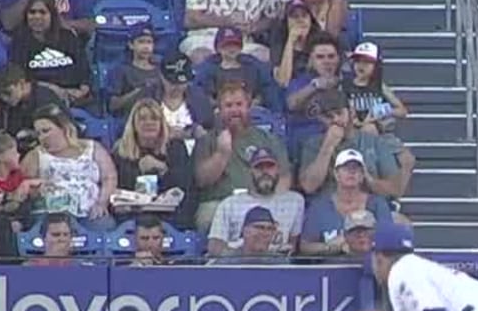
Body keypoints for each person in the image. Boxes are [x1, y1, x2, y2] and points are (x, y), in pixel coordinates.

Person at [192, 81, 291, 231]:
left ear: (248, 107)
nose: (234, 110)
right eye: (229, 106)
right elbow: (202, 180)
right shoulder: (207, 140)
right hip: (221, 203)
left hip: (262, 201)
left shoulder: (267, 138)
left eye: (239, 104)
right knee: (207, 215)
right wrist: (222, 154)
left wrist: (267, 202)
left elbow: (285, 177)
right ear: (219, 109)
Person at [22, 105, 117, 226]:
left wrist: (102, 203)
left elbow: (109, 177)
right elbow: (25, 186)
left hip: (90, 212)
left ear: (64, 128)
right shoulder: (35, 155)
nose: (42, 137)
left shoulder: (93, 148)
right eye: (38, 133)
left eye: (46, 131)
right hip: (50, 215)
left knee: (105, 224)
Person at [112, 98, 195, 228]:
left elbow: (184, 184)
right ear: (133, 124)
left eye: (154, 119)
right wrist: (139, 170)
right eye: (143, 119)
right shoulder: (120, 150)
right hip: (132, 213)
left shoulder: (175, 147)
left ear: (161, 124)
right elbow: (119, 186)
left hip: (170, 213)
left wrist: (162, 169)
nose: (149, 123)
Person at [207, 145, 304, 255]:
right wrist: (244, 256)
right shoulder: (229, 204)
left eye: (270, 166)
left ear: (278, 170)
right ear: (250, 171)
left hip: (276, 265)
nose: (265, 172)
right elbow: (214, 247)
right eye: (259, 167)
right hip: (238, 266)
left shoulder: (294, 202)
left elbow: (294, 245)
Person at [299, 147, 395, 255]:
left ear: (363, 175)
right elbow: (305, 246)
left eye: (356, 169)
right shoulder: (319, 206)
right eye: (346, 168)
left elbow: (390, 241)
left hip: (369, 266)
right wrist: (330, 247)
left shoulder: (377, 204)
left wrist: (357, 243)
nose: (352, 172)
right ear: (336, 174)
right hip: (330, 268)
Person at [9, 0, 92, 108]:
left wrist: (82, 90)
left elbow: (84, 72)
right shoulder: (19, 42)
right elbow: (20, 81)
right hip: (38, 100)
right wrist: (52, 90)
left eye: (42, 12)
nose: (37, 16)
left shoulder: (68, 38)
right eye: (32, 12)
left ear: (52, 16)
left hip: (74, 99)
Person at [344, 42, 407, 131]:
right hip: (353, 131)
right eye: (358, 61)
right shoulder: (345, 86)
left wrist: (381, 111)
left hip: (376, 131)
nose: (361, 65)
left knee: (371, 128)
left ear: (376, 65)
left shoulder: (379, 85)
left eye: (367, 62)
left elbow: (402, 111)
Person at [106, 24, 166, 117]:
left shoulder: (162, 69)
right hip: (130, 118)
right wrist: (139, 90)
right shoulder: (120, 70)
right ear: (131, 45)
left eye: (149, 42)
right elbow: (113, 105)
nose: (146, 47)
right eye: (141, 42)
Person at [272, 0, 319, 88]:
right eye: (295, 16)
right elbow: (283, 81)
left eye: (304, 15)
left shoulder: (321, 40)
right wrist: (290, 41)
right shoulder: (279, 44)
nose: (300, 20)